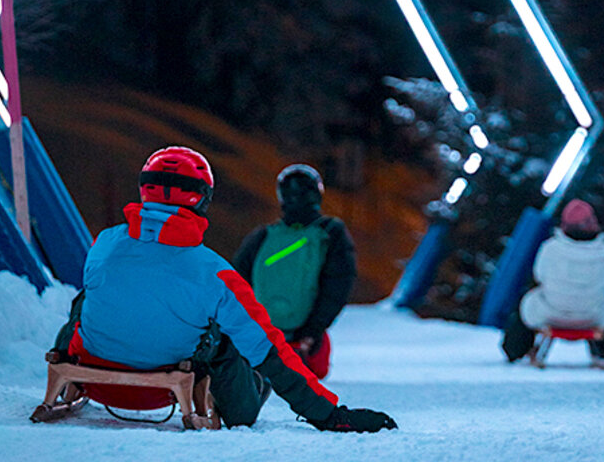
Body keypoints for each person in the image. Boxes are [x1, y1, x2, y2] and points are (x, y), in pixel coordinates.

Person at [53, 147, 395, 432]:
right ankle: (246, 395)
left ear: (145, 189)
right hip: (161, 391)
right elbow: (269, 351)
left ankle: (63, 378)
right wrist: (329, 414)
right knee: (227, 330)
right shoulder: (214, 271)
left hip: (96, 382)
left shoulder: (103, 244)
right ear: (202, 199)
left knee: (87, 298)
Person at [232, 164, 355, 379]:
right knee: (317, 371)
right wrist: (312, 332)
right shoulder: (330, 232)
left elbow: (235, 285)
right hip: (305, 343)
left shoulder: (261, 237)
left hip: (261, 338)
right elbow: (338, 286)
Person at [502, 199, 604, 364]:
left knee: (527, 303)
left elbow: (540, 276)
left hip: (550, 313)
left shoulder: (550, 248)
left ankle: (515, 349)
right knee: (600, 302)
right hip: (592, 316)